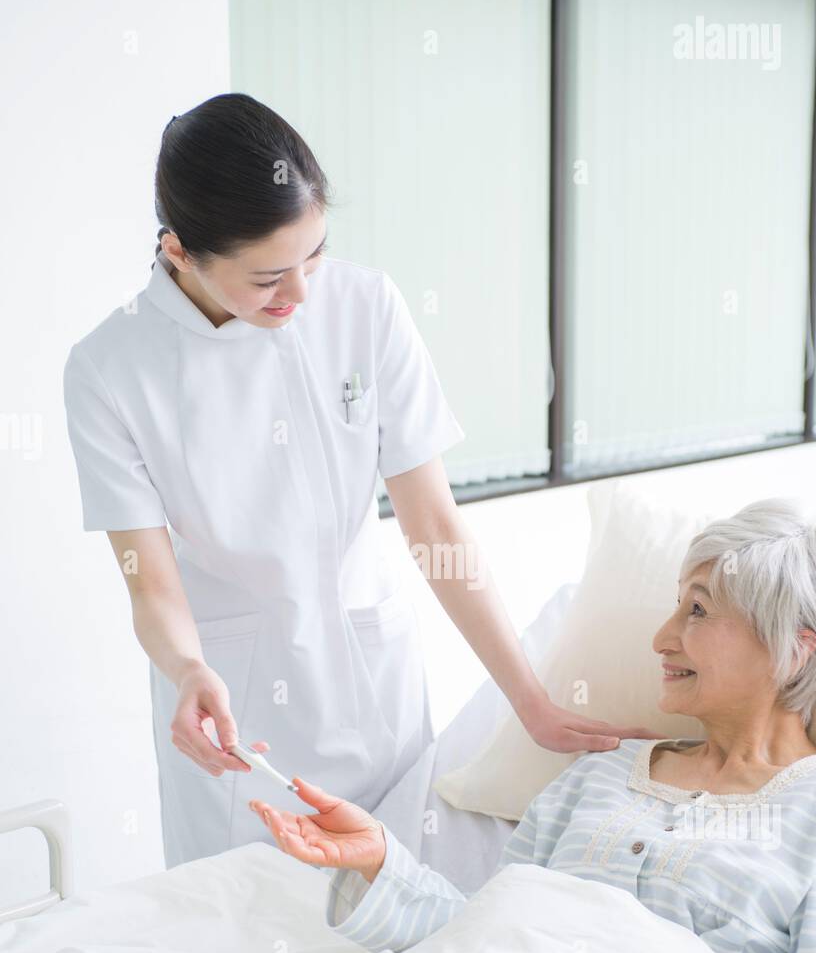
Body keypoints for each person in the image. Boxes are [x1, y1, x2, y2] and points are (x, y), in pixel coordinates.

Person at [63, 92, 644, 867]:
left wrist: (527, 699)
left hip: (370, 679)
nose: (301, 295)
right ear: (178, 254)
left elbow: (432, 524)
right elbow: (150, 581)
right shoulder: (111, 368)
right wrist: (186, 669)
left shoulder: (366, 306)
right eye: (268, 278)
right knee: (240, 932)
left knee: (398, 902)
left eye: (315, 255)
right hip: (232, 708)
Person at [251, 500, 816, 953]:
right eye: (677, 604)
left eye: (698, 610)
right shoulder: (600, 771)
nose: (661, 637)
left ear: (794, 649)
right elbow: (487, 934)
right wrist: (381, 864)